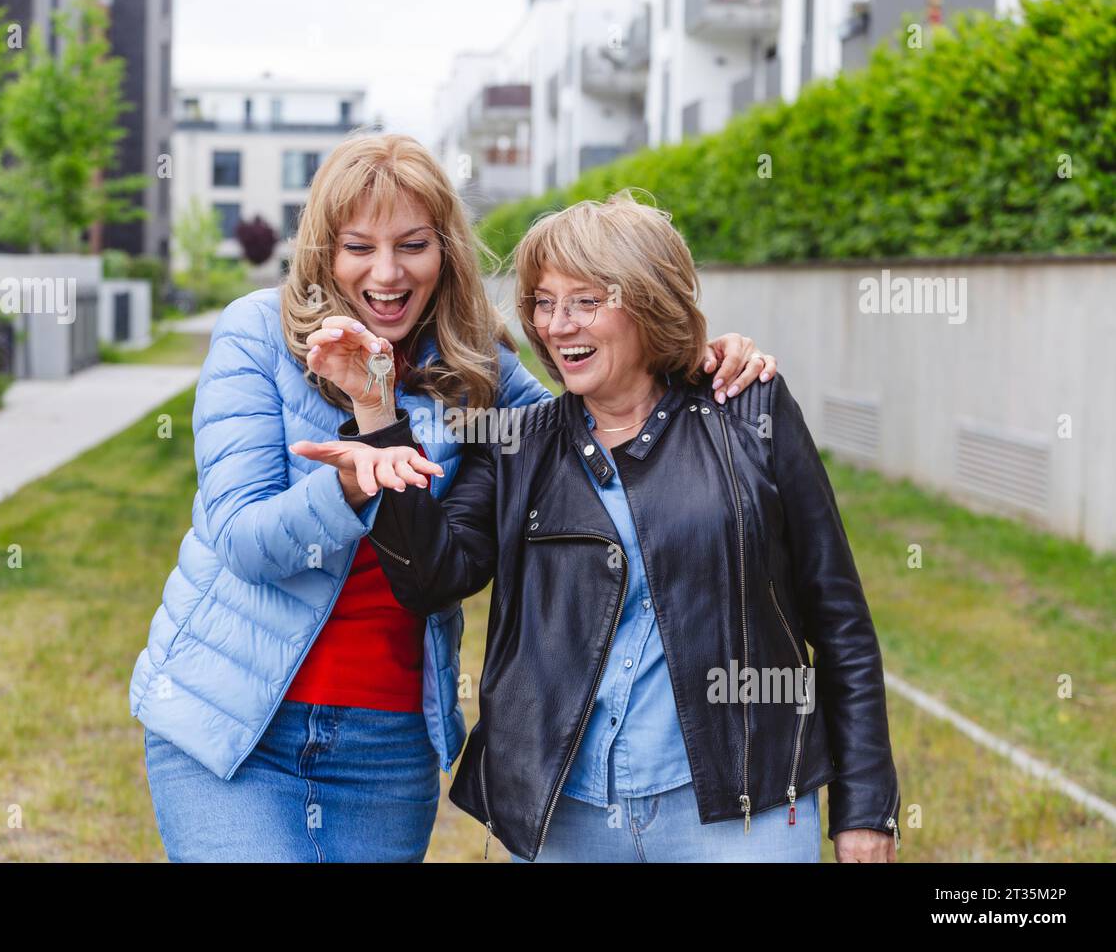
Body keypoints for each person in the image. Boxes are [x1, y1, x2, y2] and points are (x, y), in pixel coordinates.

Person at [130, 134, 776, 862]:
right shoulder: (256, 335)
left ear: (444, 252)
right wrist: (349, 483)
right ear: (322, 253)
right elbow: (246, 542)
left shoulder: (475, 368)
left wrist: (697, 362)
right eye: (358, 247)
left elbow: (589, 419)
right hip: (233, 727)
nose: (386, 272)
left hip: (386, 745)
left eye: (412, 244)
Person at [293, 190, 899, 862]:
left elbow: (837, 615)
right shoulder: (518, 443)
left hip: (741, 815)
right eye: (545, 304)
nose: (557, 325)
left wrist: (866, 805)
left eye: (586, 301)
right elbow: (432, 578)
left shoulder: (748, 412)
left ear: (647, 302)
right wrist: (377, 416)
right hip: (570, 820)